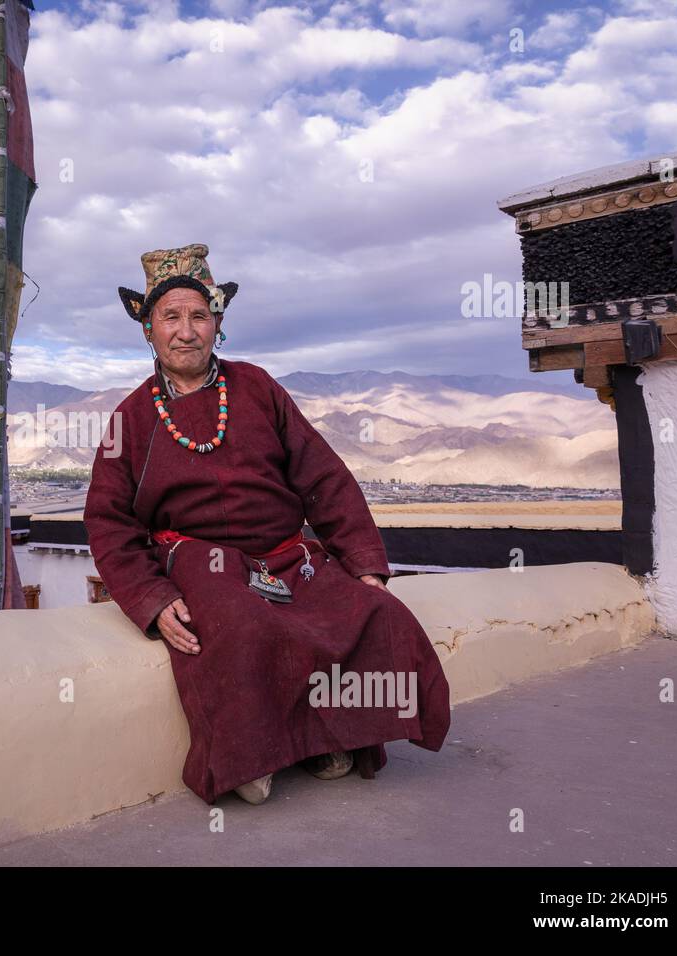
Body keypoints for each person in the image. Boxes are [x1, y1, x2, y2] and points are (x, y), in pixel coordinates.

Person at [83, 243, 450, 805]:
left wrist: (364, 564)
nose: (187, 331)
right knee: (243, 627)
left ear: (218, 325)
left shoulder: (257, 387)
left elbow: (324, 477)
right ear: (149, 330)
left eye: (199, 316)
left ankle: (337, 738)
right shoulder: (129, 418)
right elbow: (107, 522)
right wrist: (151, 599)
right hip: (202, 561)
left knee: (373, 612)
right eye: (171, 317)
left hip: (290, 556)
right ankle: (251, 757)